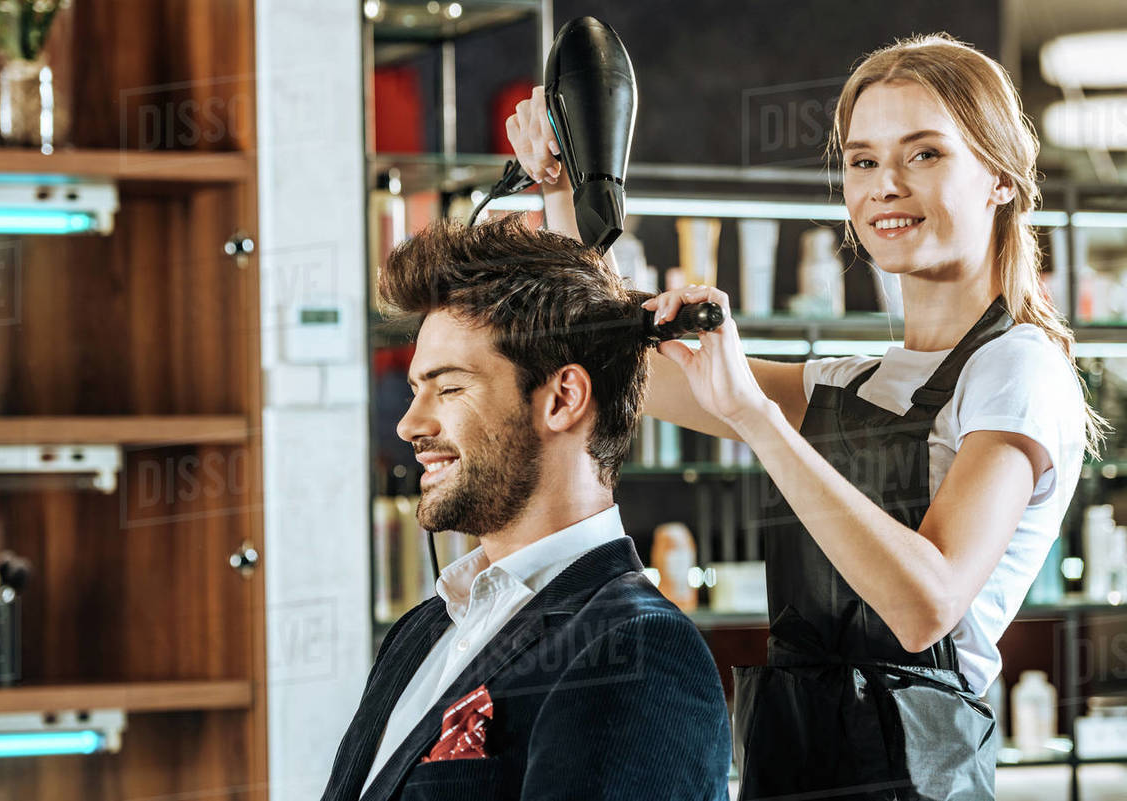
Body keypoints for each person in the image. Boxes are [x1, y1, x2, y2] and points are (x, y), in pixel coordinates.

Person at [506, 32, 1107, 801]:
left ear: (998, 176)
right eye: (862, 160)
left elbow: (926, 603)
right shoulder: (853, 379)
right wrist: (565, 195)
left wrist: (757, 418)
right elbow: (638, 377)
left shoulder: (1016, 366)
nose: (885, 184)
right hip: (795, 756)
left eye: (924, 154)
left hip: (913, 774)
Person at [321, 216, 732, 801]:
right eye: (416, 388)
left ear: (563, 398)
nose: (410, 425)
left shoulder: (638, 650)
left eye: (451, 387)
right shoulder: (421, 631)